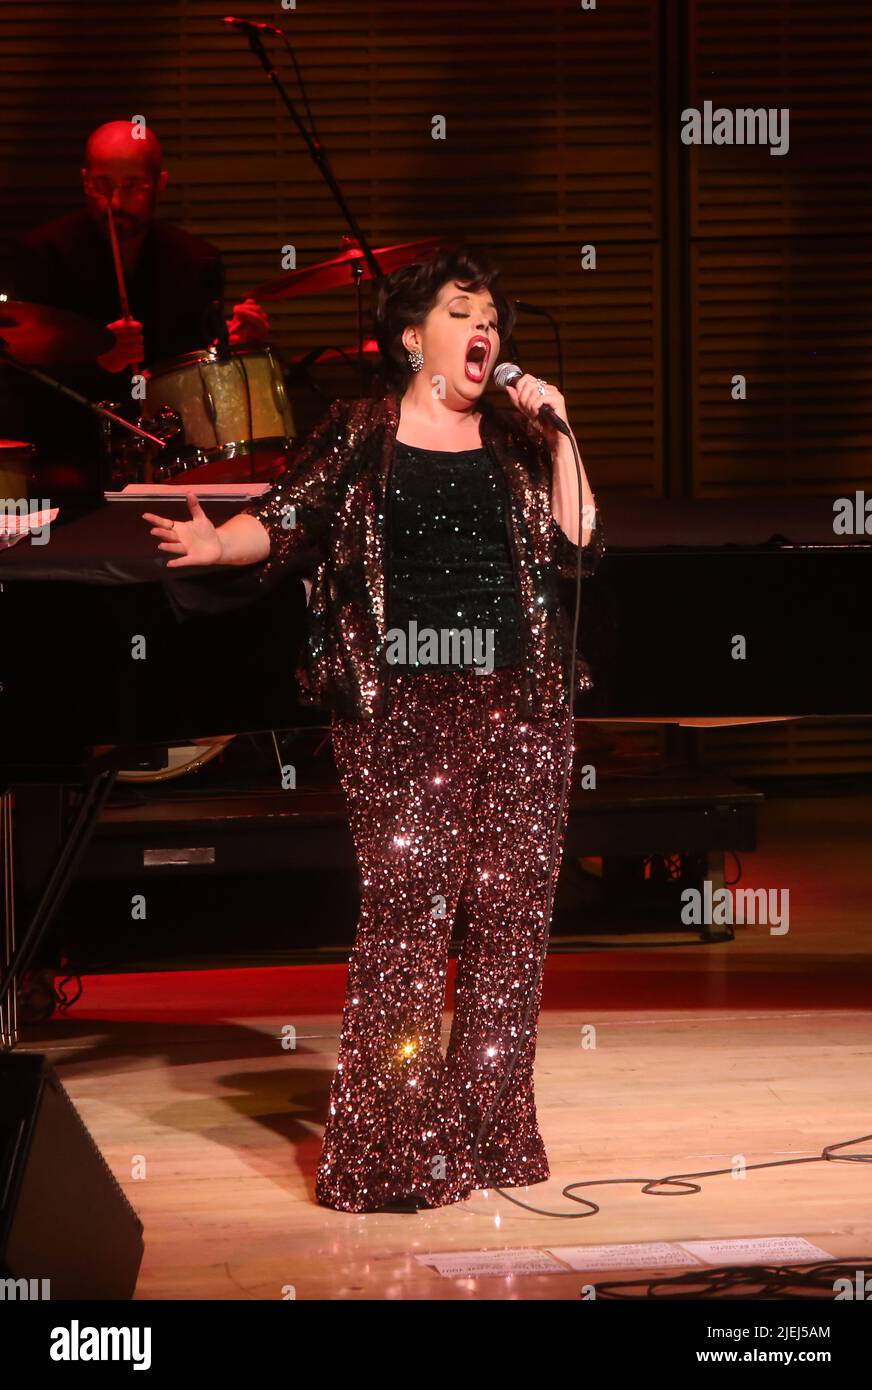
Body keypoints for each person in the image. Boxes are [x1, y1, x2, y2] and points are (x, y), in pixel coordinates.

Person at [141, 248, 604, 1214]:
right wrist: (213, 542)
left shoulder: (520, 438)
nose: (483, 331)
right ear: (410, 337)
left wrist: (561, 436)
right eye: (461, 311)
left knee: (511, 926)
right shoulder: (359, 431)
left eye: (492, 318)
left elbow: (575, 541)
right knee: (407, 921)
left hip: (522, 700)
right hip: (401, 704)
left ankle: (486, 1134)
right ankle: (391, 1148)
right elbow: (286, 518)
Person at [5, 120, 269, 491]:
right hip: (68, 454)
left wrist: (235, 350)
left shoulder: (196, 260)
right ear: (84, 180)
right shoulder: (43, 254)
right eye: (101, 185)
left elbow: (198, 368)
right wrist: (97, 363)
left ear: (159, 182)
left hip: (173, 457)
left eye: (132, 185)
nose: (114, 202)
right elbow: (19, 375)